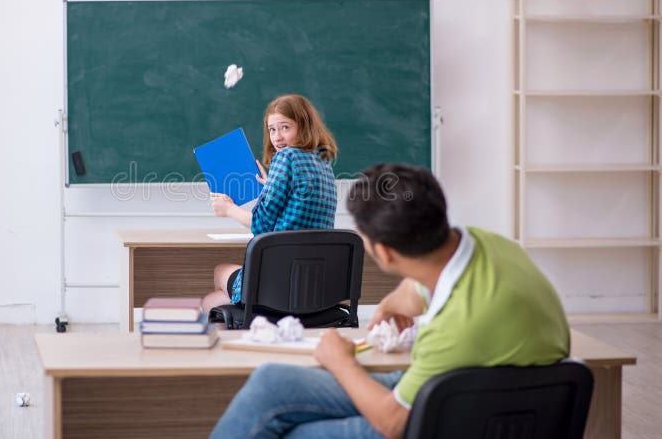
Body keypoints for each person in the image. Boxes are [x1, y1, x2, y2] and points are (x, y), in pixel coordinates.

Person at [211, 164, 571, 438]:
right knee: (272, 382)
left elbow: (393, 422)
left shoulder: (454, 329)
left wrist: (341, 362)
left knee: (297, 433)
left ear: (382, 252)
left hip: (452, 417)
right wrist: (392, 304)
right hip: (487, 391)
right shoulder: (490, 245)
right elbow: (423, 286)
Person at [201, 94, 338, 312]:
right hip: (313, 284)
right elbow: (299, 211)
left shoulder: (286, 157)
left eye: (285, 127)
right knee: (220, 300)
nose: (277, 137)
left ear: (304, 126)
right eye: (272, 130)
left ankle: (242, 334)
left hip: (278, 280)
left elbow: (262, 226)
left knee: (218, 276)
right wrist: (271, 188)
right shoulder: (323, 162)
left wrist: (229, 209)